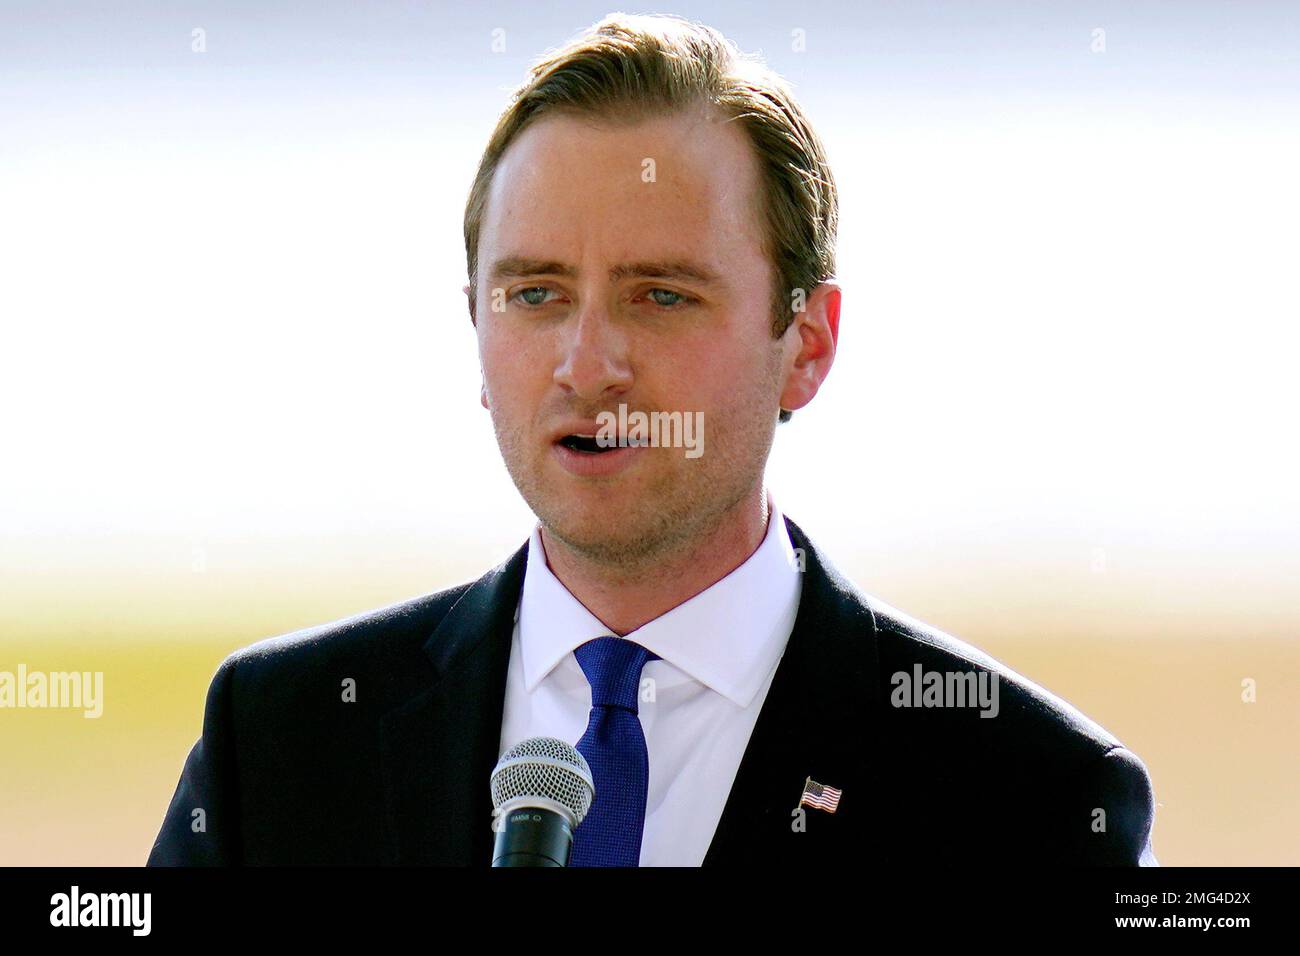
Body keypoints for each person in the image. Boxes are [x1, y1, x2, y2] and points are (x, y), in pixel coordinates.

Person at [148, 13, 1157, 867]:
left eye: (661, 294)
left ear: (805, 343)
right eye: (535, 293)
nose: (587, 363)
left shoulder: (1032, 795)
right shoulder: (281, 737)